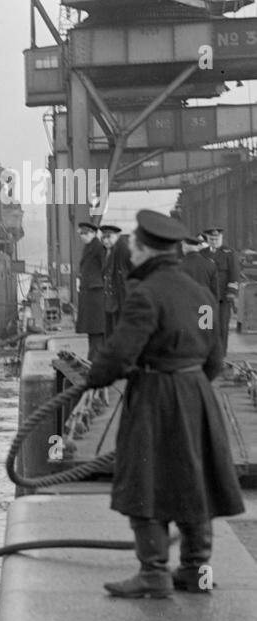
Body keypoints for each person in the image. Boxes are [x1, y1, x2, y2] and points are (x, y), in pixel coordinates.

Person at [84, 211, 244, 598]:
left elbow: (120, 355)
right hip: (196, 393)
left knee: (146, 480)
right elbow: (215, 357)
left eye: (135, 246)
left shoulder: (145, 294)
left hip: (157, 397)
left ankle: (153, 574)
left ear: (147, 250)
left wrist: (94, 379)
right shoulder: (202, 294)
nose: (131, 252)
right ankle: (194, 569)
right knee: (196, 480)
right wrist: (190, 383)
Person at [203, 227, 241, 355]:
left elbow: (235, 274)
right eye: (211, 239)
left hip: (223, 298)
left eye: (216, 239)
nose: (214, 241)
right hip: (206, 298)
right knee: (206, 326)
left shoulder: (229, 253)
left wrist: (232, 292)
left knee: (221, 327)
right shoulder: (202, 253)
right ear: (207, 239)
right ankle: (207, 353)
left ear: (221, 238)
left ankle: (221, 355)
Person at [75, 221, 106, 354]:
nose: (83, 236)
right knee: (93, 330)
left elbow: (106, 268)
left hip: (96, 293)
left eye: (85, 233)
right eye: (81, 233)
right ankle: (94, 356)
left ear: (93, 233)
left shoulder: (98, 247)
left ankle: (96, 358)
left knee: (97, 328)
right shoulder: (89, 247)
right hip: (90, 293)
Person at [100, 223, 130, 331]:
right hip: (112, 300)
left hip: (120, 299)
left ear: (117, 236)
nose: (106, 241)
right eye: (104, 238)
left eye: (109, 237)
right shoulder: (108, 252)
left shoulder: (122, 250)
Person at [181, 231, 220, 302]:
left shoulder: (179, 265)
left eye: (182, 245)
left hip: (186, 305)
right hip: (205, 306)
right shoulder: (210, 264)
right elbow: (215, 292)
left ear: (185, 246)